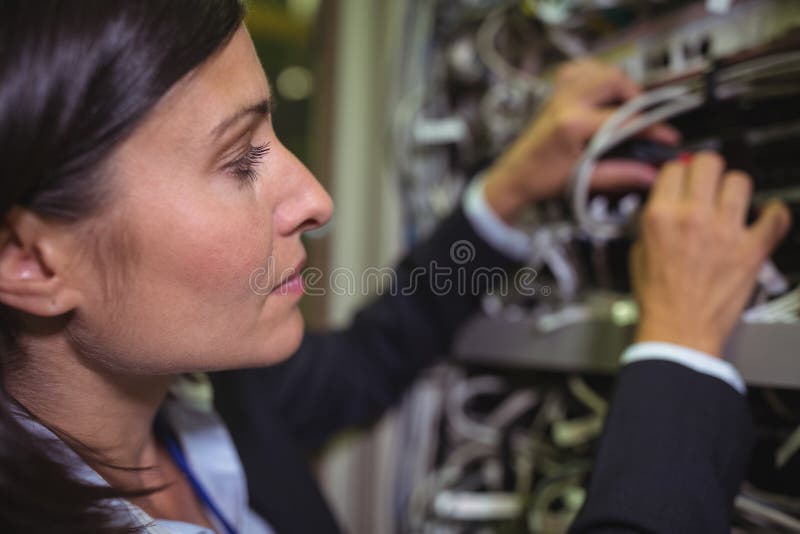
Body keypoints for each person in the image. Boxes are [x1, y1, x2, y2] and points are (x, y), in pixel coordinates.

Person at [0, 1, 785, 533]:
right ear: (29, 259)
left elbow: (370, 357)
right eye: (240, 161)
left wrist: (506, 194)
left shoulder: (196, 404)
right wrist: (681, 350)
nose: (316, 197)